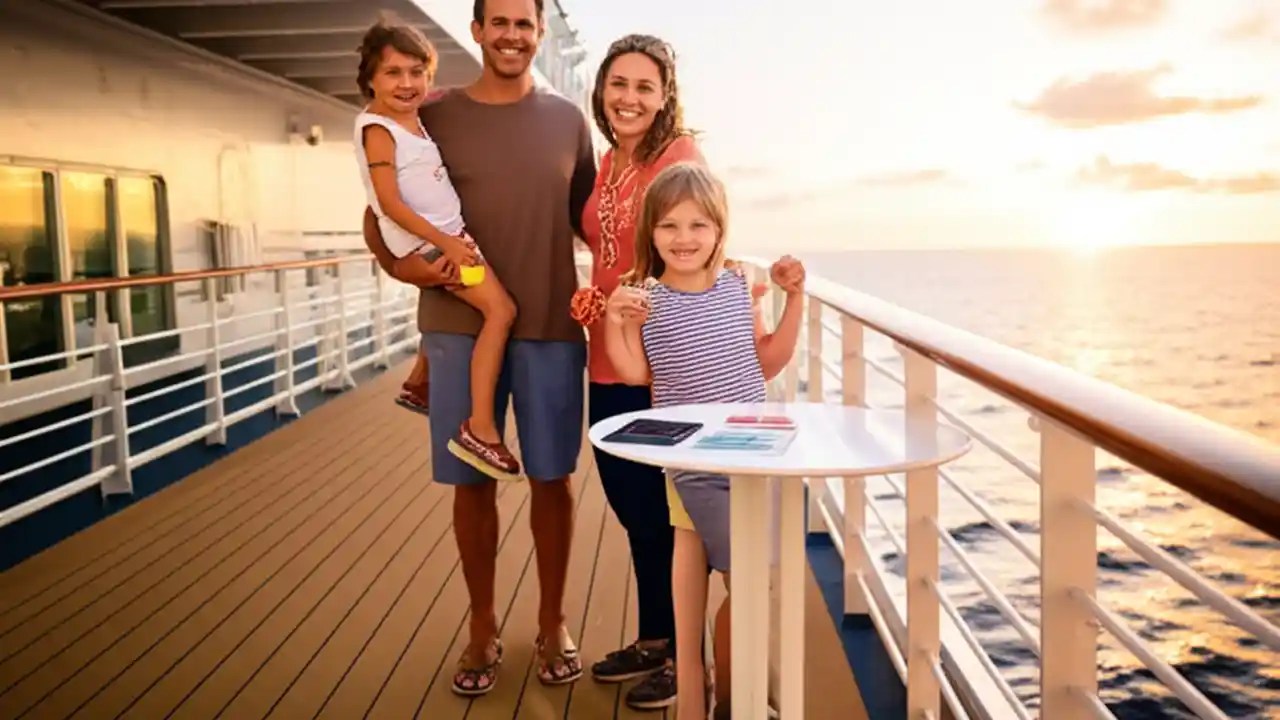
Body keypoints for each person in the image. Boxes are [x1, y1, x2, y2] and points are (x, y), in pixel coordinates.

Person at [361, 0, 597, 696]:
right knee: (471, 482)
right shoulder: (431, 114)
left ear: (540, 33)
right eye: (499, 22)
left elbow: (594, 222)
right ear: (476, 31)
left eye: (525, 24)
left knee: (553, 478)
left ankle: (552, 622)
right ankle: (482, 626)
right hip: (457, 325)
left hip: (552, 322)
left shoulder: (567, 120)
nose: (512, 35)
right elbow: (379, 214)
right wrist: (400, 267)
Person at [603, 162, 805, 718]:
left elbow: (766, 361)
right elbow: (633, 374)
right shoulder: (644, 296)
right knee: (748, 587)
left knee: (722, 589)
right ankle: (732, 698)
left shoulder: (739, 286)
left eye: (698, 225)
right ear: (651, 232)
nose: (684, 238)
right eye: (669, 226)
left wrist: (795, 301)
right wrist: (612, 323)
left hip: (750, 454)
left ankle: (715, 694)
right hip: (694, 462)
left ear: (719, 230)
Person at [569, 34, 705, 711]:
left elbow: (697, 250)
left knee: (667, 513)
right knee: (632, 508)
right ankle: (655, 637)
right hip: (605, 353)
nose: (630, 98)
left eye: (644, 87)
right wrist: (597, 295)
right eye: (619, 84)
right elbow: (611, 251)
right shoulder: (609, 162)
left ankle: (686, 658)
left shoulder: (678, 158)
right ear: (602, 91)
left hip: (659, 363)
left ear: (664, 96)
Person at [353, 18, 520, 480]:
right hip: (436, 249)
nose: (407, 83)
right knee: (501, 311)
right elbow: (386, 200)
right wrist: (445, 242)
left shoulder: (412, 123)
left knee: (476, 302)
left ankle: (418, 382)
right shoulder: (379, 130)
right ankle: (480, 428)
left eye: (417, 71)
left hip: (442, 241)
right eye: (393, 73)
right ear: (370, 77)